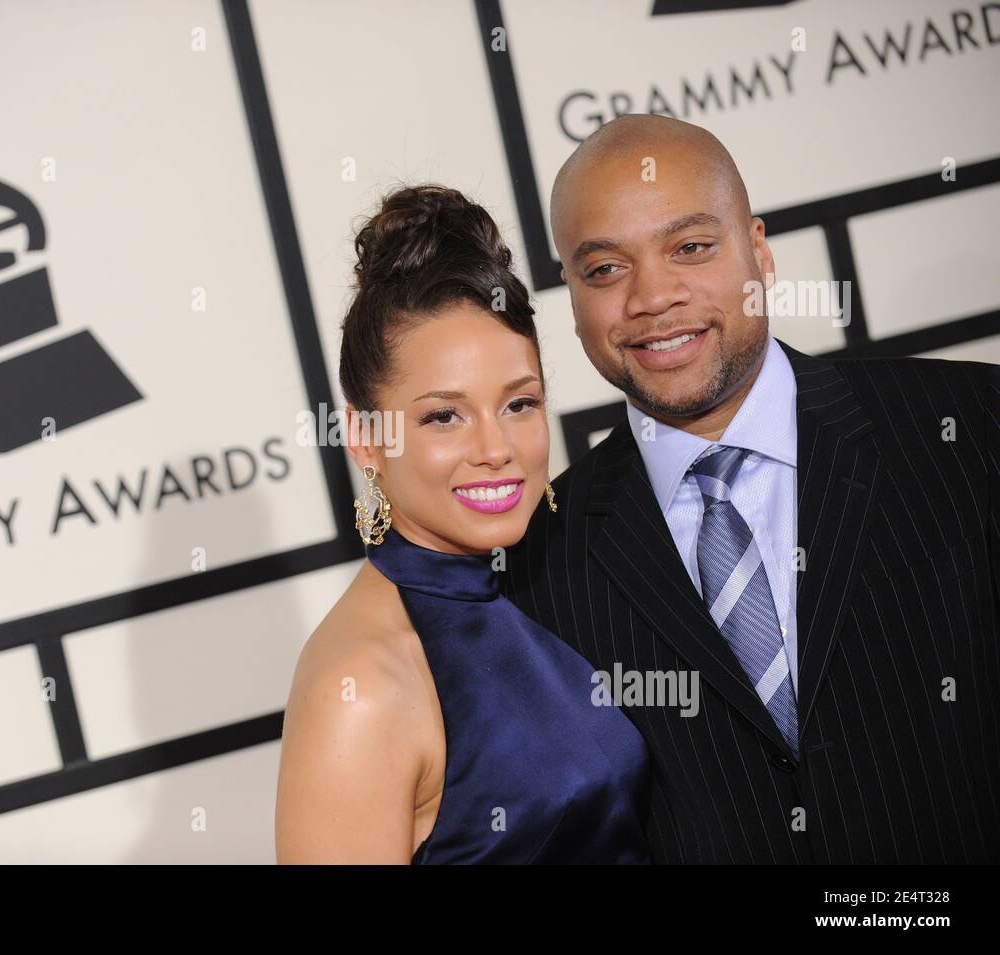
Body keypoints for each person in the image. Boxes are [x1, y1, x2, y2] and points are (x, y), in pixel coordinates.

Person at [503, 113, 1000, 863]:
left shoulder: (970, 428)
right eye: (605, 268)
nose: (652, 296)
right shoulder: (536, 561)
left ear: (759, 252)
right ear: (570, 296)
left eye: (691, 247)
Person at [274, 185, 651, 864]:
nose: (495, 447)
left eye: (519, 403)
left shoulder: (556, 586)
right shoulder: (356, 689)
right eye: (444, 415)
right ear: (365, 437)